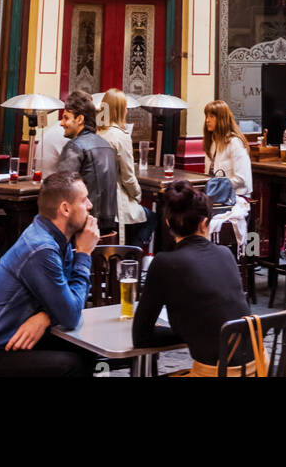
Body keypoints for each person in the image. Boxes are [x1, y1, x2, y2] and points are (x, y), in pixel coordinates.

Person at [0, 171, 99, 377]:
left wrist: (46, 316)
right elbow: (70, 315)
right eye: (84, 200)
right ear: (65, 209)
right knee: (71, 365)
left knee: (86, 350)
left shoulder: (57, 239)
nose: (90, 206)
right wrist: (84, 254)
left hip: (4, 342)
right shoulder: (41, 248)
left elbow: (69, 302)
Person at [132, 180, 252, 376]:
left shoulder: (164, 263)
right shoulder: (225, 254)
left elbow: (141, 337)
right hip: (258, 369)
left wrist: (190, 333)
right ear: (205, 223)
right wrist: (199, 331)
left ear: (168, 223)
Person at [97, 88, 157, 248]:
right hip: (116, 204)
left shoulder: (96, 133)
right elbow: (128, 177)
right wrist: (138, 195)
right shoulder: (121, 137)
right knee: (152, 218)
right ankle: (135, 256)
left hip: (96, 203)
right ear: (121, 110)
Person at [57, 90, 118, 236]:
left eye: (66, 118)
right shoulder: (105, 144)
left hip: (82, 226)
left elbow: (61, 189)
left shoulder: (75, 146)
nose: (61, 123)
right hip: (108, 225)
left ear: (79, 120)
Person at [203, 100, 252, 248]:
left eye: (212, 116)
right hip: (217, 199)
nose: (207, 120)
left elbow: (242, 179)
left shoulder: (234, 143)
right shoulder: (212, 142)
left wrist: (216, 186)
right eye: (206, 116)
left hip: (236, 198)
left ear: (222, 119)